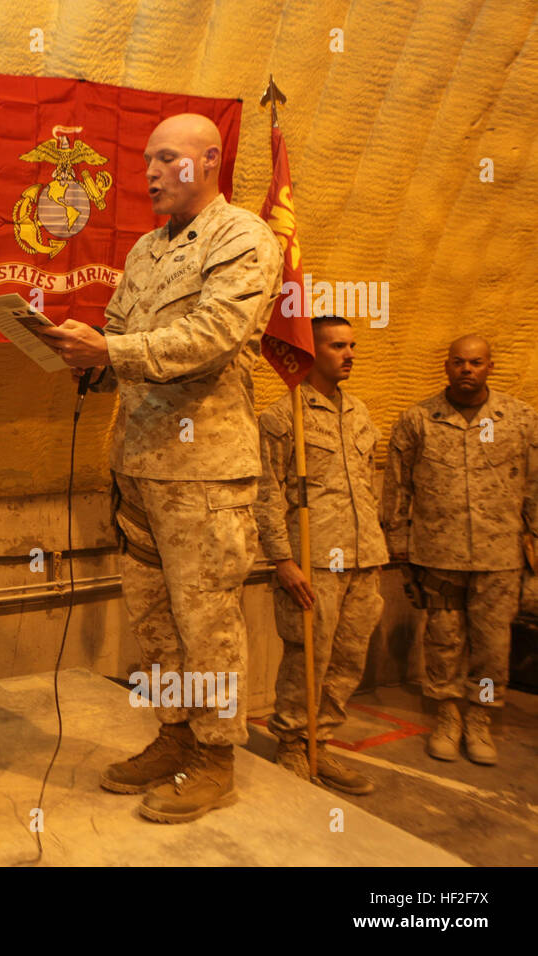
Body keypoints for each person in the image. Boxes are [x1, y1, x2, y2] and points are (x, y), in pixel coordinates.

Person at [38, 113, 282, 823]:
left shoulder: (243, 238)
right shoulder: (145, 249)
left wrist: (110, 353)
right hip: (140, 467)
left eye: (166, 159)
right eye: (146, 159)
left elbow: (211, 338)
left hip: (204, 473)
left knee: (207, 623)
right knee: (154, 621)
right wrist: (84, 355)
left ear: (208, 162)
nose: (148, 172)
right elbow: (125, 337)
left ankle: (215, 759)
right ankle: (174, 736)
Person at [381, 335, 538, 765]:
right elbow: (398, 487)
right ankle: (448, 716)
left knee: (491, 646)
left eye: (476, 362)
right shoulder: (418, 420)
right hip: (438, 554)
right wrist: (397, 546)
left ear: (491, 366)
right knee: (443, 641)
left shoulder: (521, 420)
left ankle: (481, 719)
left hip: (499, 557)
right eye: (458, 362)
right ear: (446, 367)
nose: (467, 369)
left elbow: (534, 487)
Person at [254, 316, 386, 794]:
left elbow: (366, 486)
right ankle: (292, 744)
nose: (349, 354)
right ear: (310, 352)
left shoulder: (360, 413)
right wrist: (282, 560)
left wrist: (376, 546)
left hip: (363, 556)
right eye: (337, 346)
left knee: (348, 659)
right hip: (313, 561)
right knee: (308, 655)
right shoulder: (281, 416)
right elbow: (266, 494)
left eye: (352, 345)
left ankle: (320, 743)